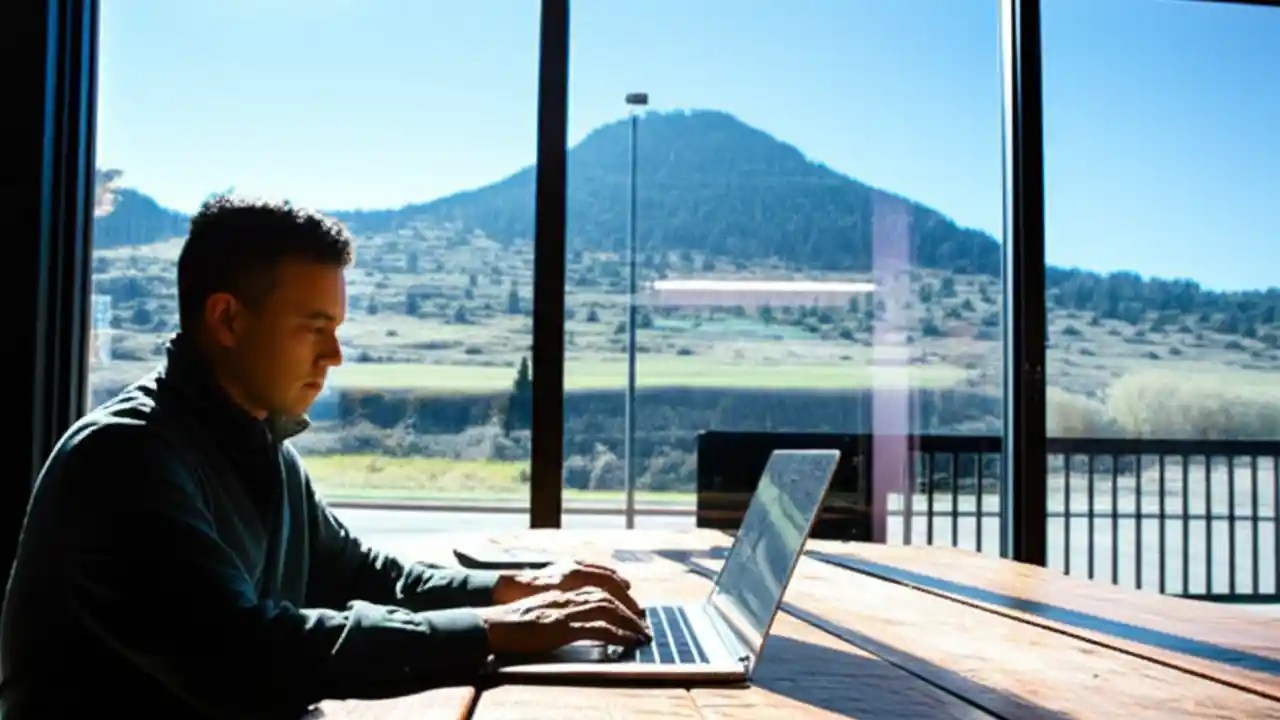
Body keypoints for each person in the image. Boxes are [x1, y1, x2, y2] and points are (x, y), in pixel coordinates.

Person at [0, 195, 651, 719]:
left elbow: (371, 579)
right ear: (226, 320)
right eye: (315, 329)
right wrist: (489, 629)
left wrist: (524, 589)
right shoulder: (126, 459)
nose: (334, 357)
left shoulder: (261, 446)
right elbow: (245, 655)